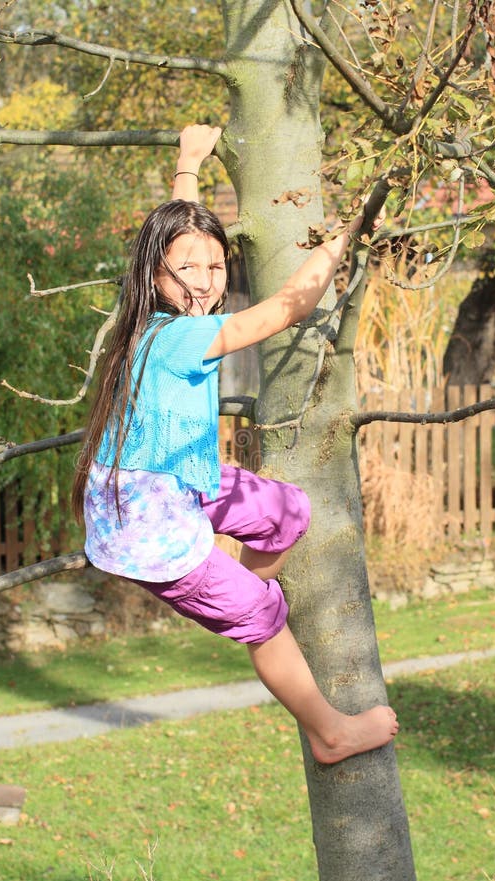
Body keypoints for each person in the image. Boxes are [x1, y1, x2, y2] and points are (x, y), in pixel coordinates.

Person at [72, 124, 398, 765]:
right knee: (261, 615)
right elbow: (285, 309)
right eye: (186, 268)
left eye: (216, 265)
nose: (203, 278)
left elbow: (177, 235)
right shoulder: (179, 336)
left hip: (179, 482)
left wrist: (188, 164)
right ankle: (328, 729)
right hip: (146, 530)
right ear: (154, 274)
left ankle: (244, 598)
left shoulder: (166, 313)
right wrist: (346, 233)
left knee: (285, 511)